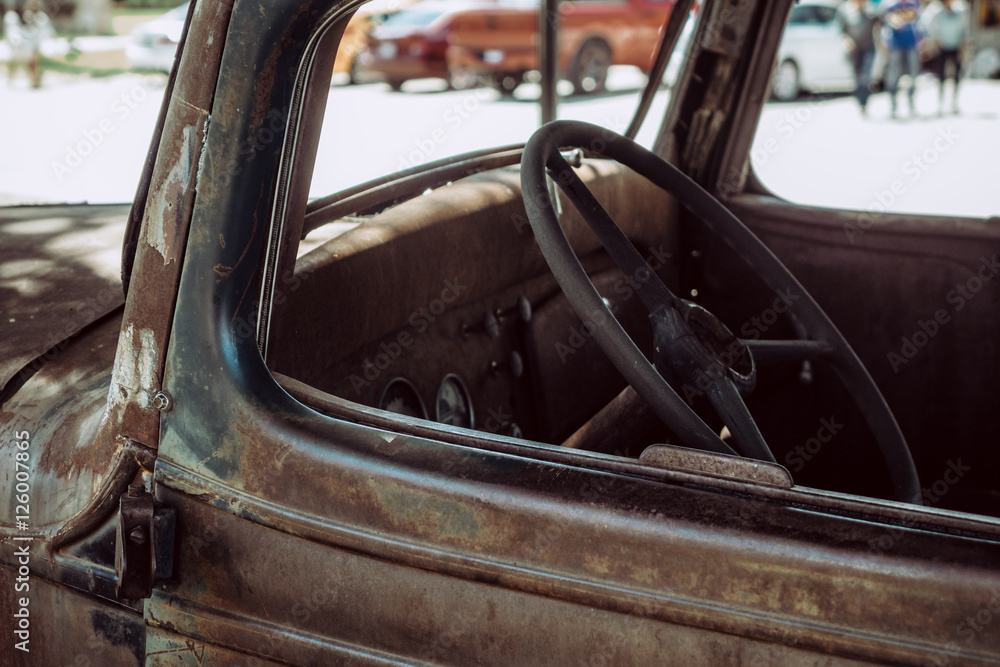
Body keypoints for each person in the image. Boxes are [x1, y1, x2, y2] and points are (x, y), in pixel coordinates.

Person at [920, 0, 970, 114]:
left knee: (957, 74)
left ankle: (954, 102)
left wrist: (963, 46)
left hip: (956, 46)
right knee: (941, 75)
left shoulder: (959, 11)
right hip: (942, 47)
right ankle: (941, 102)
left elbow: (964, 29)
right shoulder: (937, 12)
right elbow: (929, 26)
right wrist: (934, 41)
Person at [880, 0, 922, 117]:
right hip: (895, 45)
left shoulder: (913, 3)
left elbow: (918, 21)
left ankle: (911, 103)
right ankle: (893, 104)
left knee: (913, 75)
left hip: (911, 44)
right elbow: (886, 23)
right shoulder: (889, 5)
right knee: (893, 75)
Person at [836, 0, 878, 114]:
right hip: (854, 50)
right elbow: (841, 31)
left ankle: (864, 102)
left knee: (865, 76)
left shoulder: (871, 10)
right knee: (857, 78)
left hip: (868, 48)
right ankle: (859, 101)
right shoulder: (845, 10)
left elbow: (879, 25)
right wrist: (846, 41)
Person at [3, 0, 53, 89]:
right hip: (27, 43)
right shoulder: (14, 16)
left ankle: (35, 80)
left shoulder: (40, 17)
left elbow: (45, 31)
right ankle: (33, 80)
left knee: (32, 62)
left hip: (34, 43)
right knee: (26, 62)